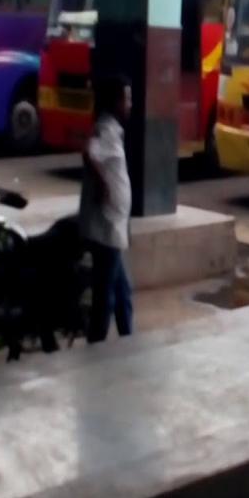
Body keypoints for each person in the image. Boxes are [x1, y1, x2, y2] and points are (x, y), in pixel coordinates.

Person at [80, 74, 133, 342]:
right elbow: (89, 152)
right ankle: (97, 344)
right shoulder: (106, 129)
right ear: (114, 101)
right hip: (106, 226)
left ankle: (128, 338)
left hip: (114, 225)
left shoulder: (113, 129)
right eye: (126, 98)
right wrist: (102, 185)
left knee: (122, 292)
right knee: (106, 296)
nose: (130, 104)